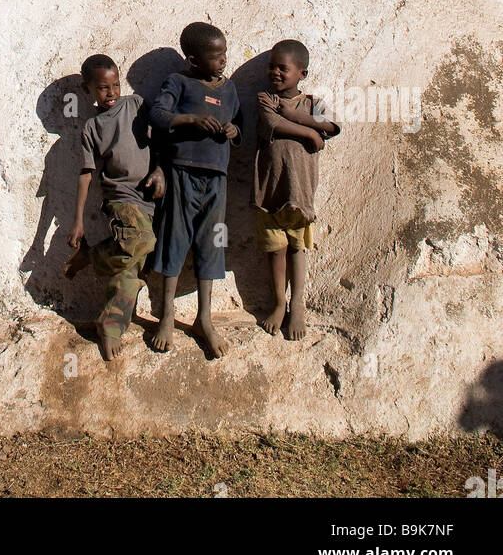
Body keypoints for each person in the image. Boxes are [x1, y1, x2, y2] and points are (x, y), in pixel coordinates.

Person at [149, 23, 243, 358]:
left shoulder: (230, 89)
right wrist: (189, 120)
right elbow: (157, 115)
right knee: (174, 240)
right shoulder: (179, 82)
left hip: (216, 179)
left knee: (212, 242)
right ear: (193, 59)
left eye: (224, 54)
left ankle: (204, 317)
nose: (222, 61)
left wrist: (233, 129)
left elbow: (240, 123)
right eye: (215, 56)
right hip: (181, 174)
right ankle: (168, 313)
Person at [66, 54, 165, 360]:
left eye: (115, 85)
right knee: (142, 241)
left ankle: (110, 326)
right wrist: (78, 221)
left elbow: (160, 138)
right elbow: (86, 174)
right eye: (102, 88)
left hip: (149, 196)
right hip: (120, 198)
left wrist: (160, 169)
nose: (111, 93)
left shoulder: (136, 105)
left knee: (131, 265)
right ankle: (95, 257)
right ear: (87, 90)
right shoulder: (92, 127)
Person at [252, 39, 340, 340]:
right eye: (271, 67)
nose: (275, 73)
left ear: (302, 74)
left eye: (283, 68)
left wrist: (297, 117)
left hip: (300, 190)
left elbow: (332, 125)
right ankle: (279, 302)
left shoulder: (314, 102)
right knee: (275, 248)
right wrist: (310, 134)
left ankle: (298, 303)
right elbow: (272, 123)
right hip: (270, 191)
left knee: (298, 247)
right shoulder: (265, 98)